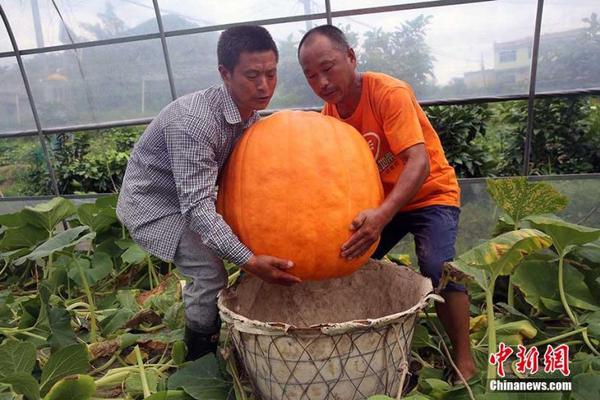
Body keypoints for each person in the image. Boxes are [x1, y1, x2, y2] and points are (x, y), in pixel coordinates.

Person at [297, 25, 476, 382]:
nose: (322, 81)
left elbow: (419, 163)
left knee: (438, 264)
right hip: (381, 202)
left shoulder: (388, 93)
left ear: (351, 56)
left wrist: (380, 216)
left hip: (430, 194)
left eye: (328, 67)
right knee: (344, 256)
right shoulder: (328, 117)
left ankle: (464, 357)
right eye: (311, 75)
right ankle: (366, 342)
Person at [117, 25, 300, 361]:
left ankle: (236, 331)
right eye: (252, 75)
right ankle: (199, 359)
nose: (264, 85)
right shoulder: (195, 122)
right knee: (209, 271)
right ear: (225, 73)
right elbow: (197, 209)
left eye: (271, 74)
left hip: (193, 196)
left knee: (241, 249)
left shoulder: (250, 118)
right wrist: (248, 259)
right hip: (155, 204)